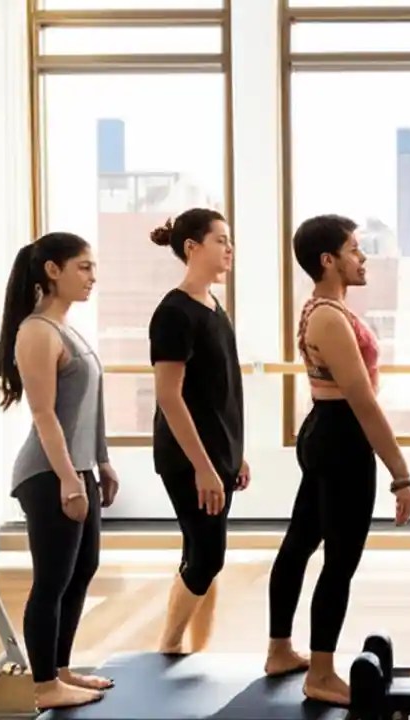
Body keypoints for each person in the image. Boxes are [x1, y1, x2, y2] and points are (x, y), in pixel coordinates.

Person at [264, 214, 410, 705]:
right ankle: (321, 673)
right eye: (354, 249)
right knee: (339, 561)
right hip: (341, 437)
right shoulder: (328, 317)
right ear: (328, 260)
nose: (363, 257)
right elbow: (363, 402)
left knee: (300, 542)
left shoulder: (325, 309)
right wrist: (400, 475)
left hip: (326, 431)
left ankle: (280, 651)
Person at [0, 232, 119, 710]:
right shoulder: (36, 332)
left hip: (77, 467)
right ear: (52, 270)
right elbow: (44, 414)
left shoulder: (66, 329)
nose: (93, 277)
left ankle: (61, 669)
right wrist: (68, 478)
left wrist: (101, 460)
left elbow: (90, 406)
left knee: (82, 570)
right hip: (47, 473)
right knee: (51, 580)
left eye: (94, 267)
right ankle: (44, 684)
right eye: (84, 267)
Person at [147, 207, 248, 655]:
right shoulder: (174, 312)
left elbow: (218, 391)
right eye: (220, 240)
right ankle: (169, 646)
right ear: (192, 247)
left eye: (230, 241)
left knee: (204, 556)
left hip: (218, 454)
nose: (229, 249)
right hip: (190, 459)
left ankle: (197, 652)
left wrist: (235, 454)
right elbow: (169, 397)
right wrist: (203, 468)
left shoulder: (213, 306)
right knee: (207, 555)